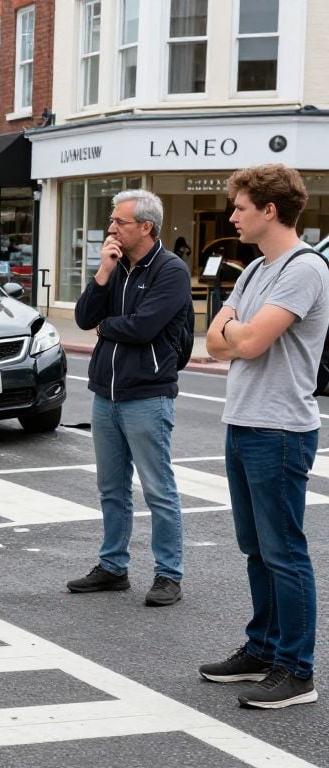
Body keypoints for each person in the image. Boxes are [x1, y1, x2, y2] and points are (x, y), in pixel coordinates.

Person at [200, 164, 329, 709]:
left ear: (269, 210)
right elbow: (213, 342)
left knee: (284, 551)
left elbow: (247, 343)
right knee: (256, 548)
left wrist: (236, 333)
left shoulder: (305, 270)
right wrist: (236, 333)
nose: (233, 216)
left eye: (241, 207)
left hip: (279, 430)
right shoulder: (254, 271)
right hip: (243, 422)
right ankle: (263, 648)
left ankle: (297, 671)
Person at [69, 189, 192, 607]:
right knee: (111, 488)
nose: (111, 229)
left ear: (146, 227)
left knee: (158, 490)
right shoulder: (116, 265)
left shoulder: (170, 271)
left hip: (147, 396)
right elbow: (85, 317)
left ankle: (168, 575)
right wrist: (103, 272)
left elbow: (143, 328)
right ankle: (112, 567)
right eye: (111, 222)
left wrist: (108, 326)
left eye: (119, 222)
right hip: (106, 394)